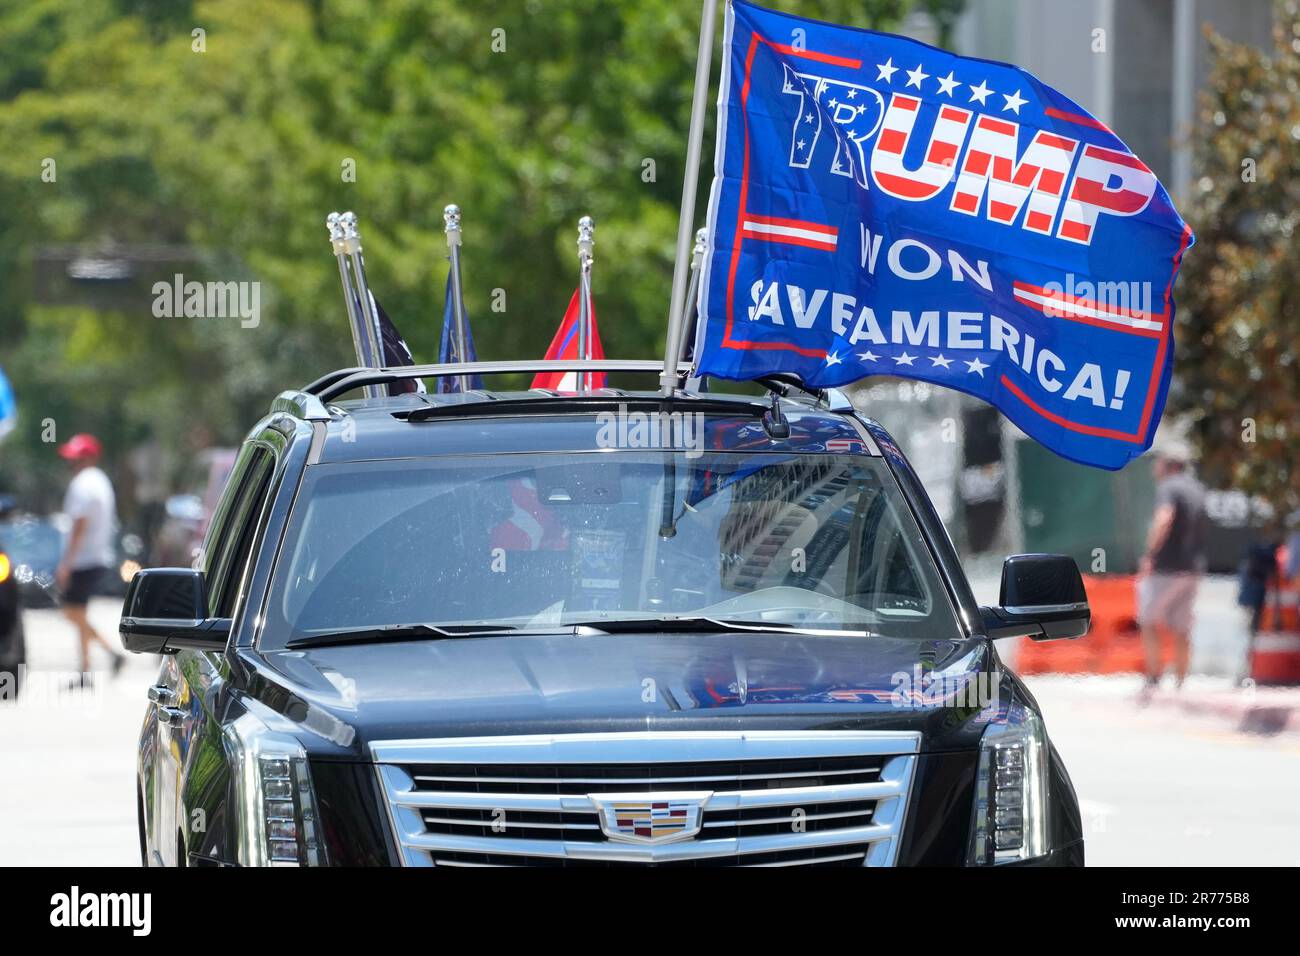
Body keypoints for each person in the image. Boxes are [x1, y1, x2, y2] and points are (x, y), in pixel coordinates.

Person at [54, 433, 125, 679]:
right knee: (79, 613)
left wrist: (66, 563)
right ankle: (85, 668)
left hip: (83, 559)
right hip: (95, 557)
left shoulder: (83, 483)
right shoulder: (99, 480)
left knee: (71, 613)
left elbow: (79, 525)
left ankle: (109, 652)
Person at [1137, 448, 1206, 698]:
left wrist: (1150, 554)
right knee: (1182, 627)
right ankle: (1181, 682)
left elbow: (1164, 518)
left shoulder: (1169, 488)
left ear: (1169, 464)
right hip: (1192, 567)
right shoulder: (1197, 488)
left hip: (1166, 567)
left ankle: (1154, 678)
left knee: (1147, 620)